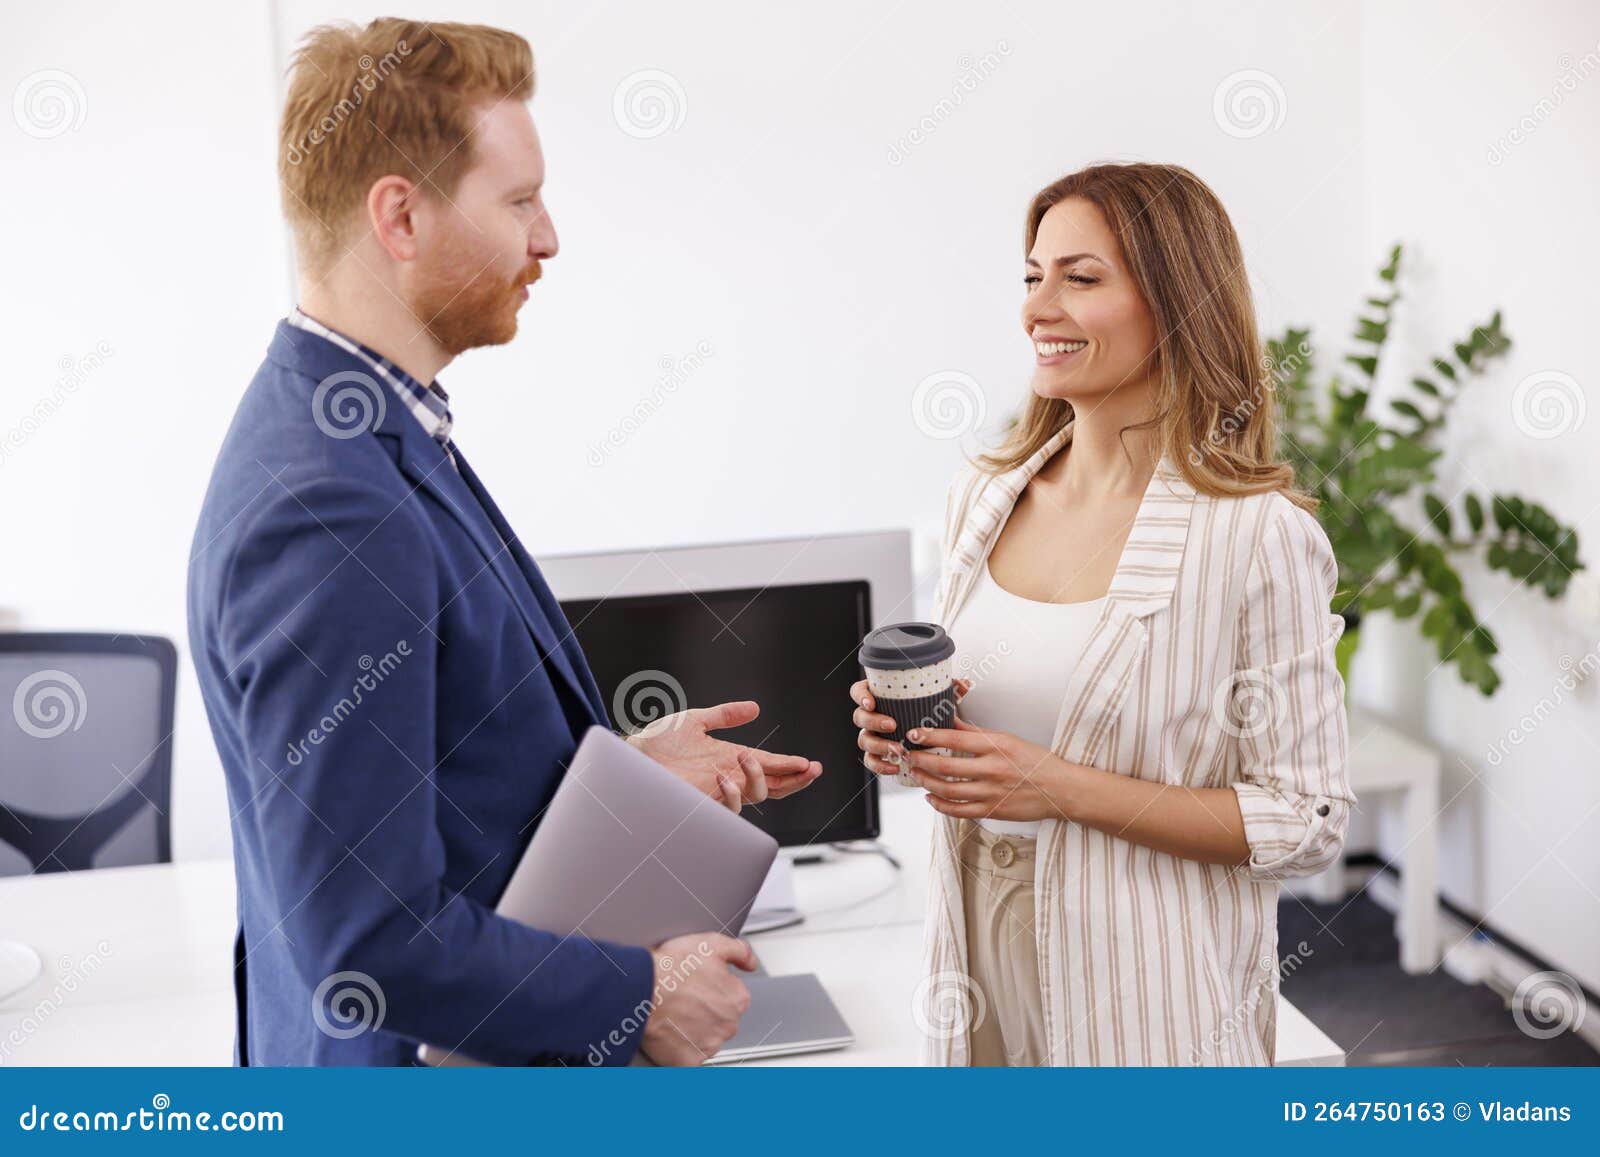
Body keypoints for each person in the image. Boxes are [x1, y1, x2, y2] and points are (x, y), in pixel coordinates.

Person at [188, 19, 821, 1067]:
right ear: (399, 215)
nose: (549, 237)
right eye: (520, 200)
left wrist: (617, 772)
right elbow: (368, 939)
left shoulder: (371, 426)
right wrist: (642, 991)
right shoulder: (329, 506)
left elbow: (424, 768)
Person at [852, 162, 1354, 1066]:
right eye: (1033, 276)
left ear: (1179, 304)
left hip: (1143, 976)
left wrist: (1058, 787)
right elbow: (993, 740)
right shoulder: (986, 497)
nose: (1039, 306)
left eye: (1081, 278)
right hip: (972, 936)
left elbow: (1306, 817)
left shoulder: (1254, 538)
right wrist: (908, 743)